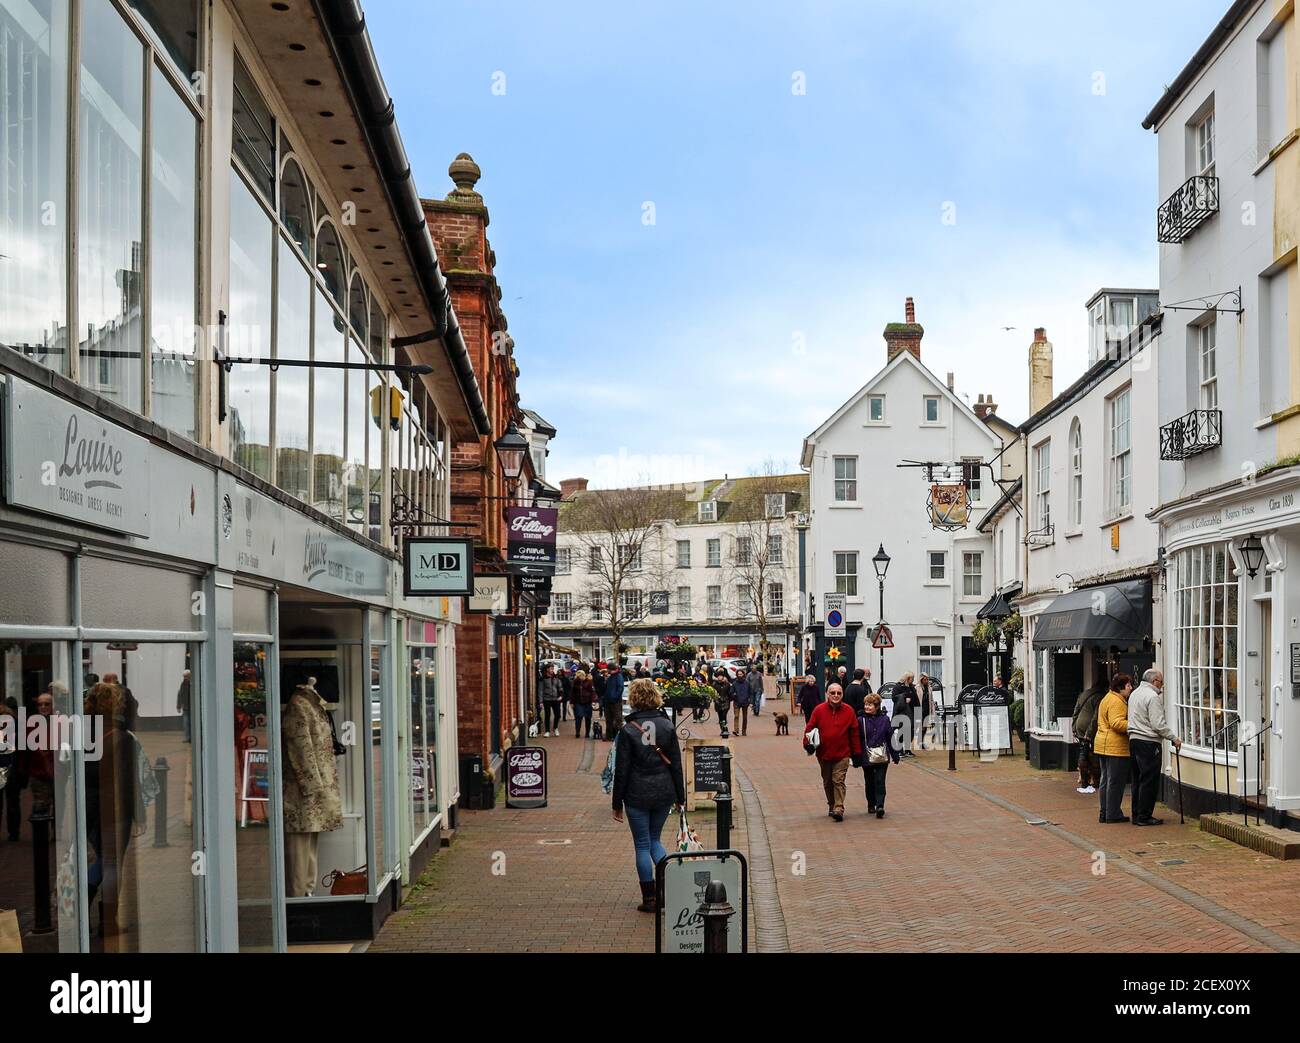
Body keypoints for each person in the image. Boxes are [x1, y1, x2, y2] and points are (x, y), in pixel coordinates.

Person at [612, 678, 685, 913]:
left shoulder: (628, 730)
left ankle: (650, 899)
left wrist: (616, 803)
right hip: (664, 791)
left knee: (642, 844)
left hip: (636, 794)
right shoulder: (667, 725)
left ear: (633, 699)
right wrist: (680, 795)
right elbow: (675, 764)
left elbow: (621, 769)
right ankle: (670, 887)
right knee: (655, 840)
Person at [1128, 669, 1181, 826]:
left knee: (1137, 779)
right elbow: (1158, 724)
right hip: (1148, 742)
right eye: (1161, 682)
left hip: (1134, 740)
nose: (1162, 686)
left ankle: (1137, 814)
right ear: (1154, 681)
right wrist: (1174, 737)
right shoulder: (1152, 697)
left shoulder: (1135, 694)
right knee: (1149, 780)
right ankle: (1145, 816)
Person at [803, 683, 862, 821]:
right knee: (828, 782)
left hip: (843, 753)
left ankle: (839, 807)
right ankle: (831, 804)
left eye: (839, 693)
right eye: (833, 693)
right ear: (827, 694)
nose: (836, 695)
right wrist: (808, 745)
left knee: (838, 780)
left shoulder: (849, 711)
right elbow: (809, 729)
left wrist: (857, 753)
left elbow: (854, 733)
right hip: (824, 753)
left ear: (842, 695)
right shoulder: (819, 710)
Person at [1094, 673, 1134, 823]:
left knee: (1105, 780)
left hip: (1103, 744)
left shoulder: (1107, 698)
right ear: (1120, 687)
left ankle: (1104, 812)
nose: (1131, 688)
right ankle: (1113, 813)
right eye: (1128, 685)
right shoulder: (1117, 701)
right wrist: (1134, 724)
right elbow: (1116, 723)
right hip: (1114, 746)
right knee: (1115, 782)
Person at [854, 692, 900, 818]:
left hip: (882, 755)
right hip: (866, 755)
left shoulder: (885, 719)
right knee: (869, 781)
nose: (867, 707)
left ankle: (880, 805)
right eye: (866, 704)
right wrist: (856, 756)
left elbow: (889, 737)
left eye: (870, 705)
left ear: (877, 706)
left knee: (880, 780)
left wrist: (895, 754)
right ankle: (871, 804)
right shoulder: (860, 720)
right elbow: (857, 738)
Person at [1071, 678, 1107, 795]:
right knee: (1091, 754)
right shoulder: (1101, 697)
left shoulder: (1084, 693)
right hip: (1088, 727)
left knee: (1083, 751)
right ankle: (1094, 780)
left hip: (1079, 725)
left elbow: (1076, 711)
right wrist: (1089, 733)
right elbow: (1095, 718)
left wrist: (1074, 726)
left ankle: (1083, 780)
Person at [893, 672, 921, 756]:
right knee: (902, 731)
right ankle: (900, 750)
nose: (913, 680)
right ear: (907, 678)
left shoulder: (912, 687)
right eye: (911, 678)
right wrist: (904, 699)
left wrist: (918, 709)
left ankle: (908, 750)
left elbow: (915, 698)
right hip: (902, 712)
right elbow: (894, 698)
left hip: (912, 711)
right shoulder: (898, 687)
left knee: (910, 732)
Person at [602, 662, 626, 741]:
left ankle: (618, 736)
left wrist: (614, 698)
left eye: (608, 669)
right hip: (609, 701)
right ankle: (609, 735)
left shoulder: (618, 677)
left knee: (617, 719)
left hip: (615, 702)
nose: (607, 671)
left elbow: (620, 689)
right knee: (609, 719)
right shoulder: (611, 677)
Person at [539, 666, 563, 737]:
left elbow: (560, 687)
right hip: (547, 699)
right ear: (547, 669)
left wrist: (561, 695)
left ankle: (555, 728)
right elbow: (540, 690)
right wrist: (540, 701)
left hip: (556, 699)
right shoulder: (543, 679)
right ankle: (547, 731)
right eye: (551, 669)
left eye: (553, 669)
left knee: (558, 715)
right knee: (547, 715)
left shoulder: (556, 678)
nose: (552, 670)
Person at [571, 669, 596, 738]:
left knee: (588, 718)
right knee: (578, 717)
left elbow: (592, 692)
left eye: (582, 675)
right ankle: (577, 732)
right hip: (578, 702)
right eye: (579, 676)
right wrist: (572, 702)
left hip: (587, 702)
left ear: (584, 675)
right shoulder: (575, 682)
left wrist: (593, 701)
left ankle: (587, 733)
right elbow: (572, 693)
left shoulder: (589, 682)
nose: (581, 677)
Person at [731, 665, 752, 736]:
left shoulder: (747, 683)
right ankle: (736, 730)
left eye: (741, 674)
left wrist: (750, 702)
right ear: (737, 675)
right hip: (737, 702)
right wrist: (734, 696)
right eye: (738, 674)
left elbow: (750, 693)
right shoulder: (734, 683)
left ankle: (744, 731)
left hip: (745, 702)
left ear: (743, 674)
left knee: (745, 717)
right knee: (736, 716)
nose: (740, 675)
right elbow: (731, 692)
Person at [711, 671, 732, 737]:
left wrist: (726, 683)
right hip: (718, 702)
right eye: (718, 676)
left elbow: (728, 691)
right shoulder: (714, 684)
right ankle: (722, 729)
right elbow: (714, 692)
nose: (720, 677)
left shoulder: (727, 684)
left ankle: (725, 729)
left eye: (721, 676)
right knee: (720, 716)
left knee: (724, 715)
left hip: (726, 701)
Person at [176, 669, 192, 743]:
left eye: (186, 676)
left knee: (189, 723)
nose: (185, 678)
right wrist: (178, 706)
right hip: (186, 707)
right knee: (186, 723)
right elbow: (180, 695)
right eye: (184, 676)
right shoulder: (183, 684)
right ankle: (188, 737)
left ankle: (190, 737)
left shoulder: (191, 684)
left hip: (191, 707)